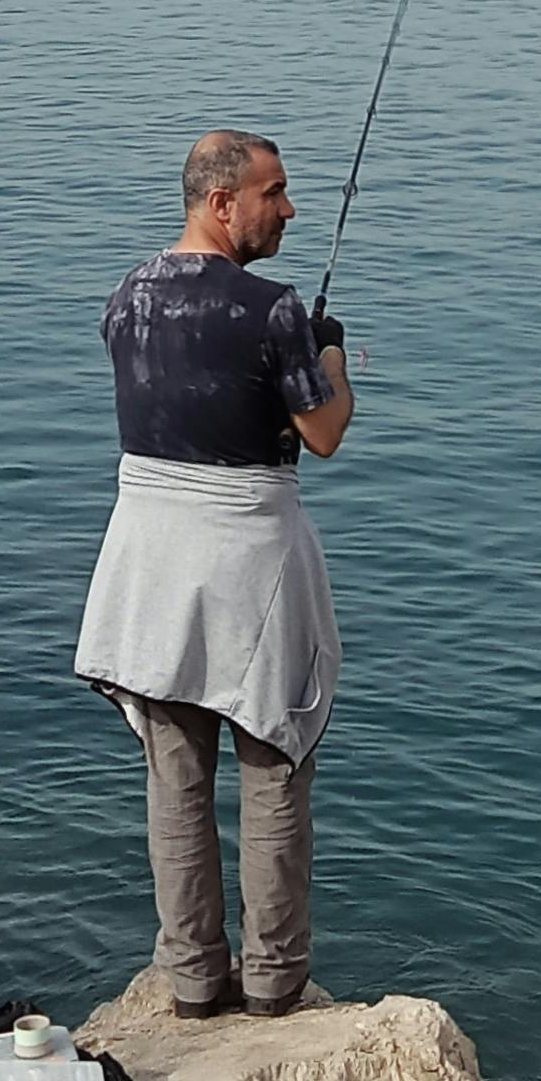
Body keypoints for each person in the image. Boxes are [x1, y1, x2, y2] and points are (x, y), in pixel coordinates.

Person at [73, 129, 355, 1018]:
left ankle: (191, 978)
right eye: (273, 193)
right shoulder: (275, 311)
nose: (289, 208)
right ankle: (274, 982)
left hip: (148, 558)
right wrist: (329, 352)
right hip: (249, 561)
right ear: (220, 203)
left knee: (175, 777)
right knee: (274, 763)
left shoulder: (125, 297)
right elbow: (323, 432)